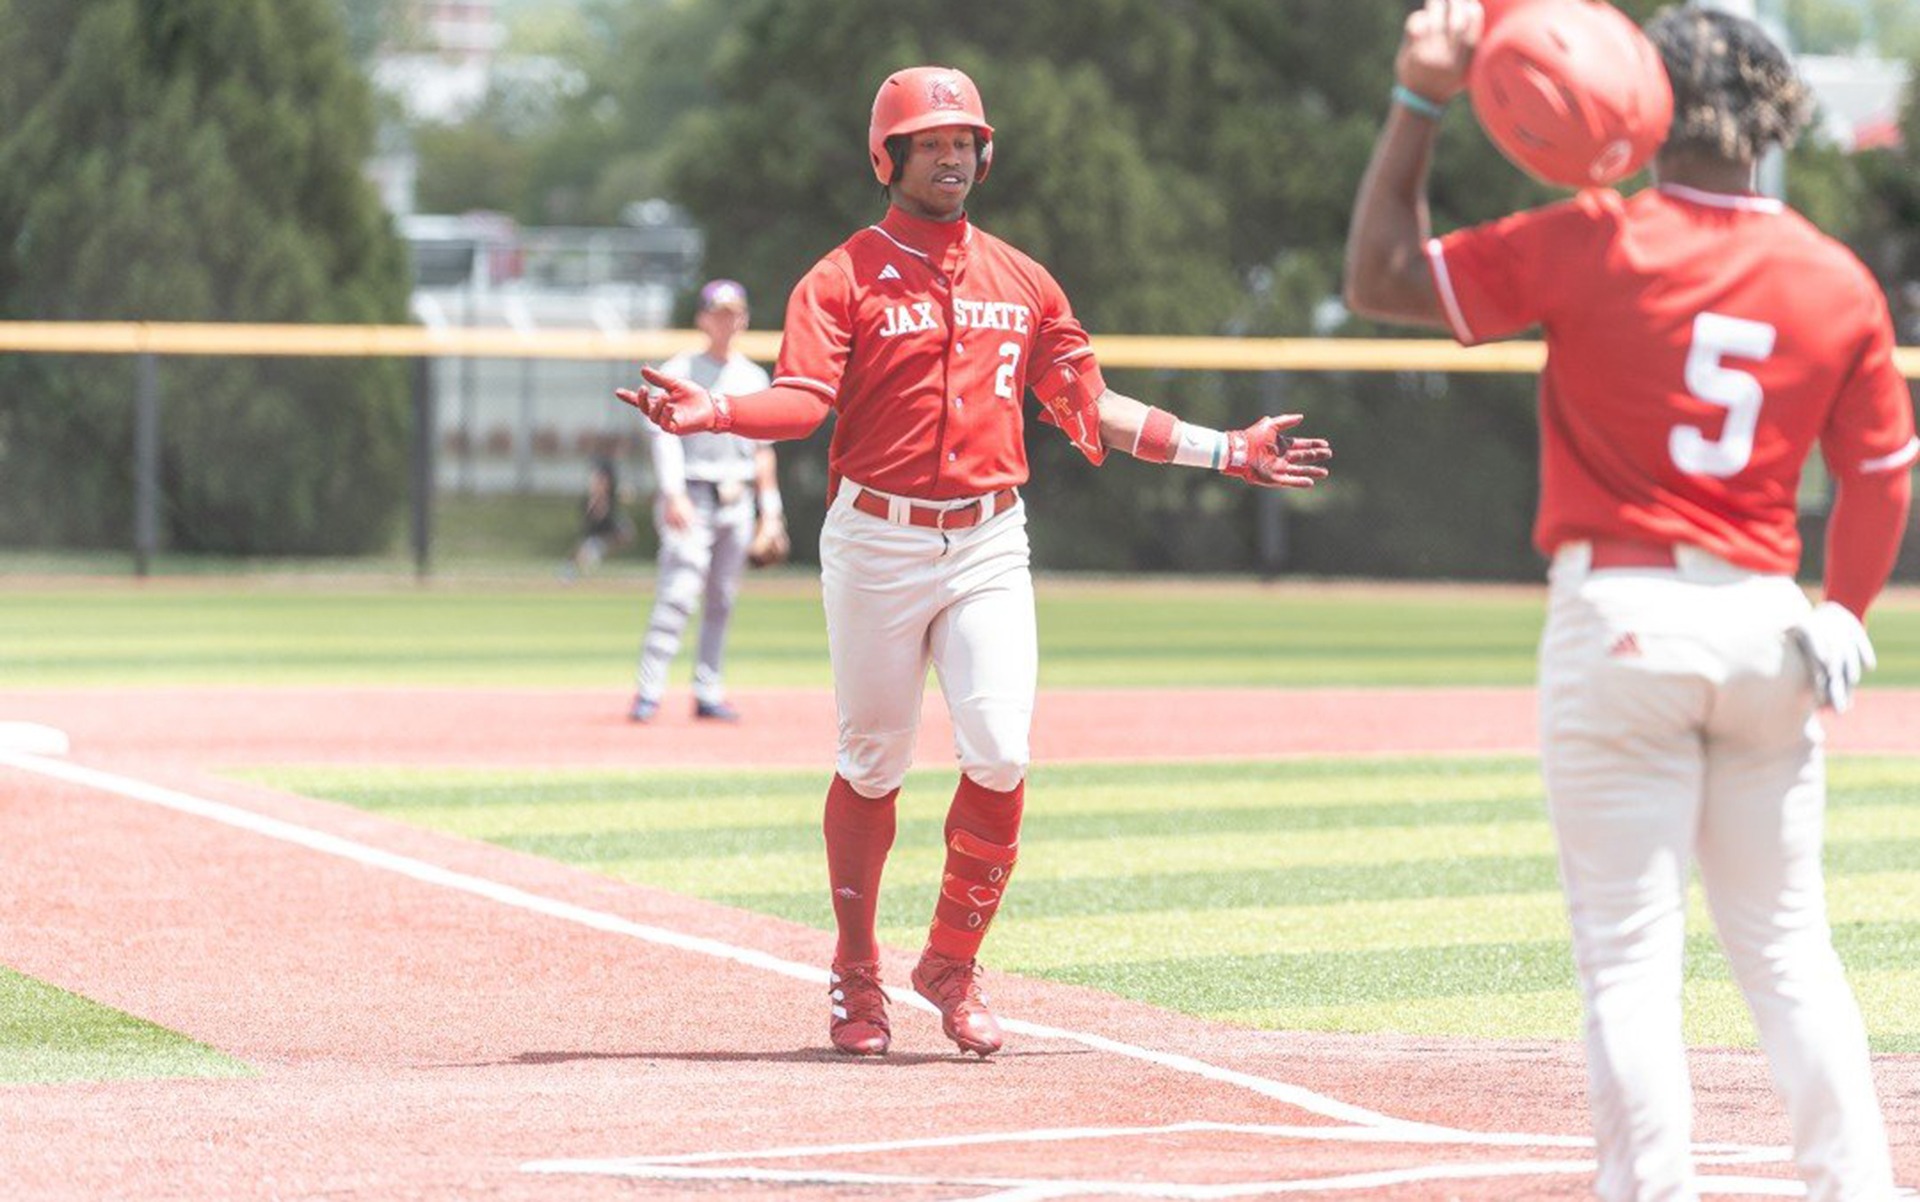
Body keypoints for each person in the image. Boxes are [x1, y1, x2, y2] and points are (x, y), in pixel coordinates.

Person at [619, 65, 1331, 1057]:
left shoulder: (1024, 280)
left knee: (999, 748)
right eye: (932, 140)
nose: (953, 154)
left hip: (990, 537)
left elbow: (1096, 408)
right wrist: (716, 410)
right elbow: (801, 399)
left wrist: (1225, 447)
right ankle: (856, 968)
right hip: (875, 538)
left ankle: (950, 962)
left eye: (966, 140)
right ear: (890, 157)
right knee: (872, 762)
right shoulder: (842, 277)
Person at [1344, 4, 1914, 1199]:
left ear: (1649, 98)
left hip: (1621, 619)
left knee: (1631, 967)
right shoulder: (1836, 276)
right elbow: (1879, 473)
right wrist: (1850, 603)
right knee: (1790, 951)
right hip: (1771, 624)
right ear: (1772, 115)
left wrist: (1419, 99)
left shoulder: (1595, 237)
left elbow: (1381, 276)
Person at [628, 279, 787, 725]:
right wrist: (673, 493)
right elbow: (664, 441)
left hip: (738, 500)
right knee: (678, 595)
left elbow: (763, 451)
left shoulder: (754, 376)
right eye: (718, 312)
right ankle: (649, 690)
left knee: (723, 598)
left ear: (745, 319)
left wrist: (771, 514)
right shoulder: (679, 370)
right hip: (694, 495)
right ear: (701, 319)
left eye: (734, 312)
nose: (727, 320)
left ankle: (707, 689)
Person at [561, 455, 635, 581]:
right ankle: (572, 567)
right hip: (595, 528)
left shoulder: (611, 492)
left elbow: (625, 495)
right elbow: (594, 505)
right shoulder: (593, 495)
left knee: (625, 533)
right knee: (588, 548)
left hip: (607, 524)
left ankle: (586, 559)